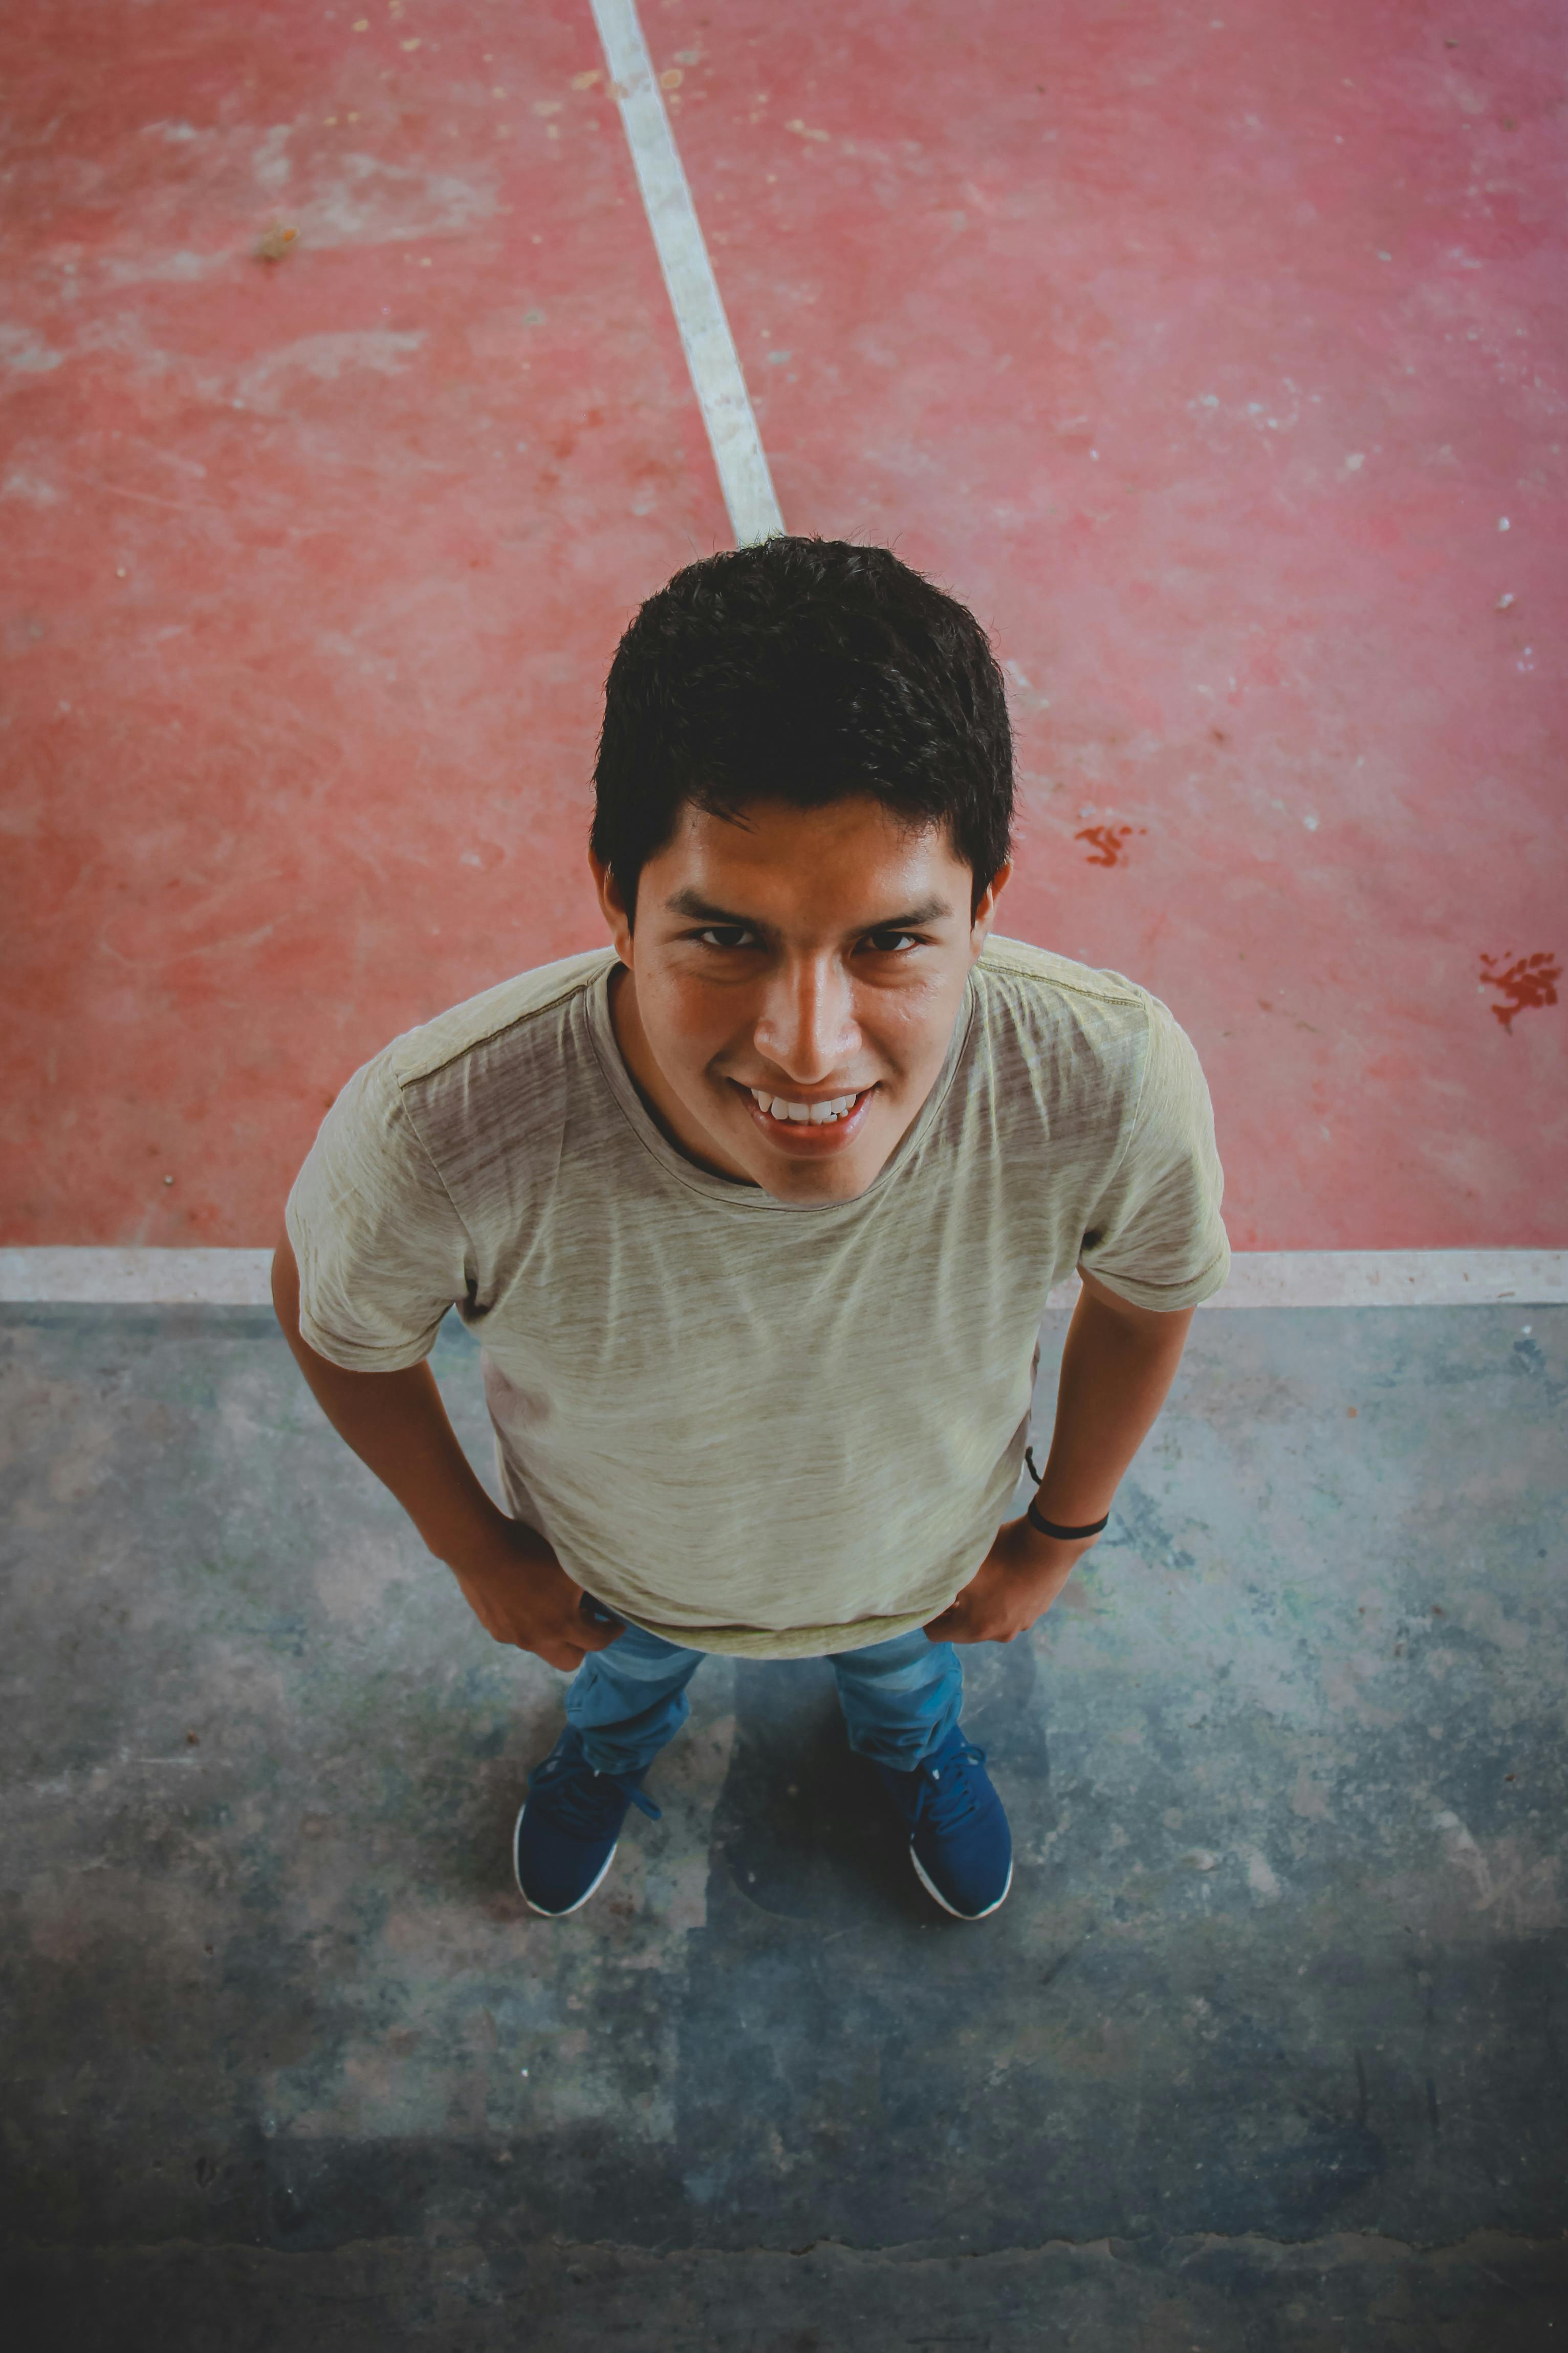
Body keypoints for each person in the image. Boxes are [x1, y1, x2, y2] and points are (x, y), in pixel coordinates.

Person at [273, 537, 1229, 1926]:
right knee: (627, 1670)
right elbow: (334, 1306)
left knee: (904, 1667)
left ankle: (910, 1743)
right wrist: (476, 1548)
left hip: (921, 1559)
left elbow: (1145, 1300)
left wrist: (1057, 1534)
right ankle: (607, 1743)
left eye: (893, 943)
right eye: (726, 939)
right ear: (616, 895)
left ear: (987, 906)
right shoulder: (447, 1125)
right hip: (626, 1567)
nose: (806, 1048)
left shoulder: (1106, 1077)